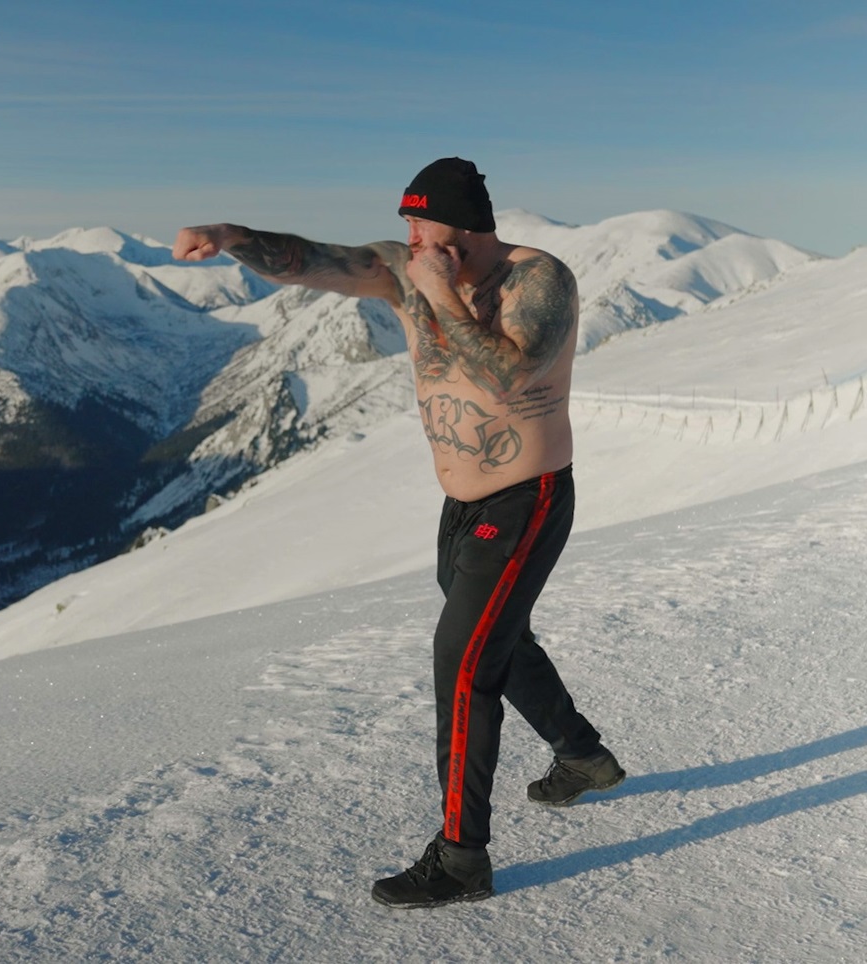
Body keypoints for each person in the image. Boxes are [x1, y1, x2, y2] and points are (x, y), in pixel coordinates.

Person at [173, 157, 624, 908]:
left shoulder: (538, 280)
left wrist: (442, 295)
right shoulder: (403, 268)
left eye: (419, 220)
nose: (407, 235)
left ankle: (461, 859)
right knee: (492, 637)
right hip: (462, 507)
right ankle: (582, 755)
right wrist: (231, 236)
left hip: (526, 499)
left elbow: (510, 379)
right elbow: (312, 262)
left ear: (464, 225)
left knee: (464, 659)